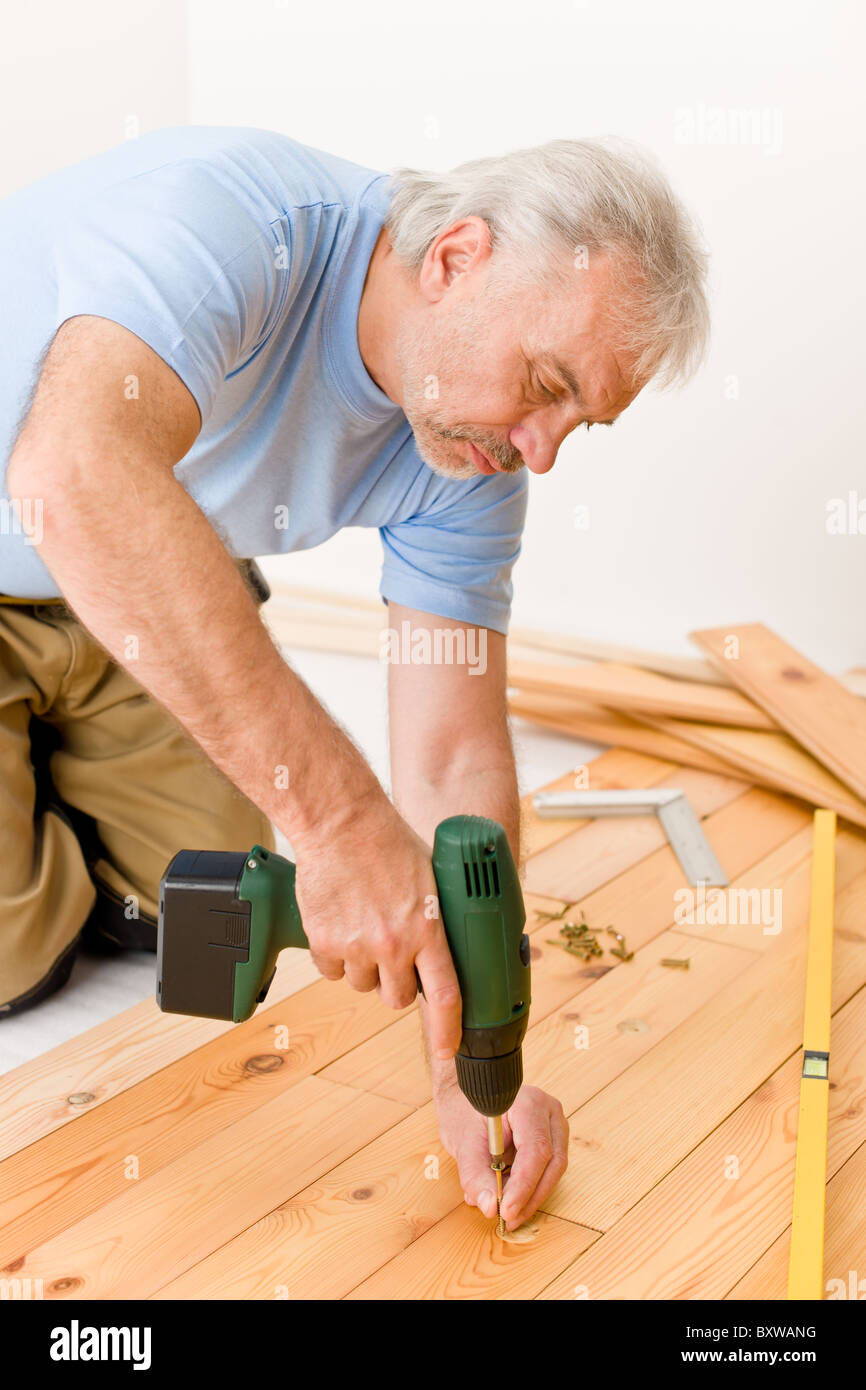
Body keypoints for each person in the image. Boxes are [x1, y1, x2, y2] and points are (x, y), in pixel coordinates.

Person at [0, 125, 709, 1228]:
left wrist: (480, 1058)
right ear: (455, 258)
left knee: (192, 907)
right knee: (17, 950)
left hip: (121, 596)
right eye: (544, 385)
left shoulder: (472, 455)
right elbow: (70, 475)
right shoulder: (235, 227)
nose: (542, 450)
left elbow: (451, 755)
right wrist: (333, 820)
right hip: (77, 530)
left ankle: (47, 759)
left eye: (580, 422)